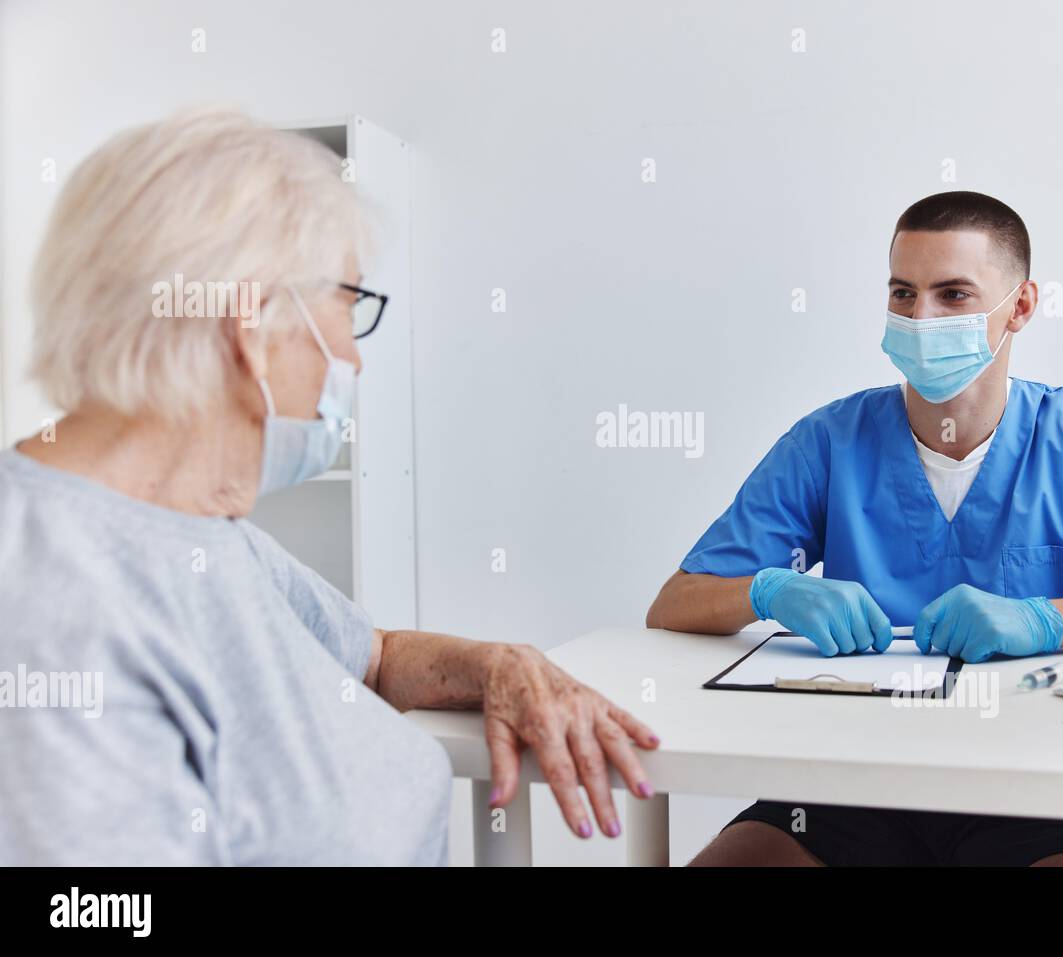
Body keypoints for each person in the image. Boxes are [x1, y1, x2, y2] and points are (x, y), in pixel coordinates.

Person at [0, 107, 657, 865]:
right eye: (350, 307)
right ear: (250, 324)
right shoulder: (54, 606)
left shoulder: (206, 535)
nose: (354, 358)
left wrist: (499, 665)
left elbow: (373, 658)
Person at [647, 190, 1063, 867]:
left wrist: (1047, 619)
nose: (920, 318)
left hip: (1035, 786)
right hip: (845, 784)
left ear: (1020, 306)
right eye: (903, 293)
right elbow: (675, 603)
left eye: (953, 295)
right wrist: (769, 591)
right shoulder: (831, 441)